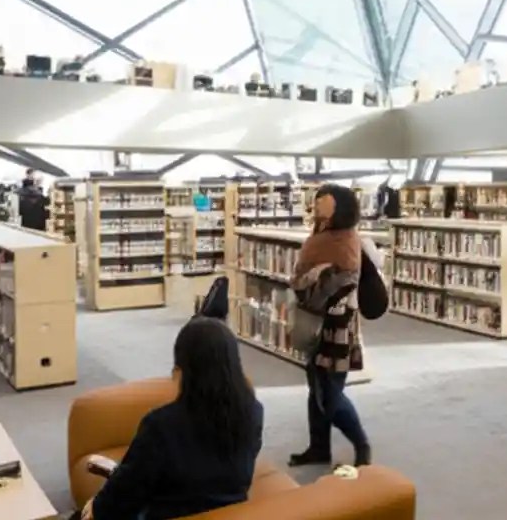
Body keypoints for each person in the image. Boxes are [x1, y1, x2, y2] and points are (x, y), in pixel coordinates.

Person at [80, 318, 264, 520]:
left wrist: (97, 506)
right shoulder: (253, 412)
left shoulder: (161, 425)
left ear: (182, 370)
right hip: (230, 512)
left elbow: (125, 495)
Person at [288, 184, 371, 468]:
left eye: (323, 200)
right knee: (317, 389)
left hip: (335, 324)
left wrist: (306, 281)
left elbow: (338, 283)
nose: (317, 204)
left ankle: (361, 444)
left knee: (330, 394)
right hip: (322, 321)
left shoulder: (341, 241)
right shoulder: (327, 235)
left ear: (339, 206)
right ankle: (319, 448)